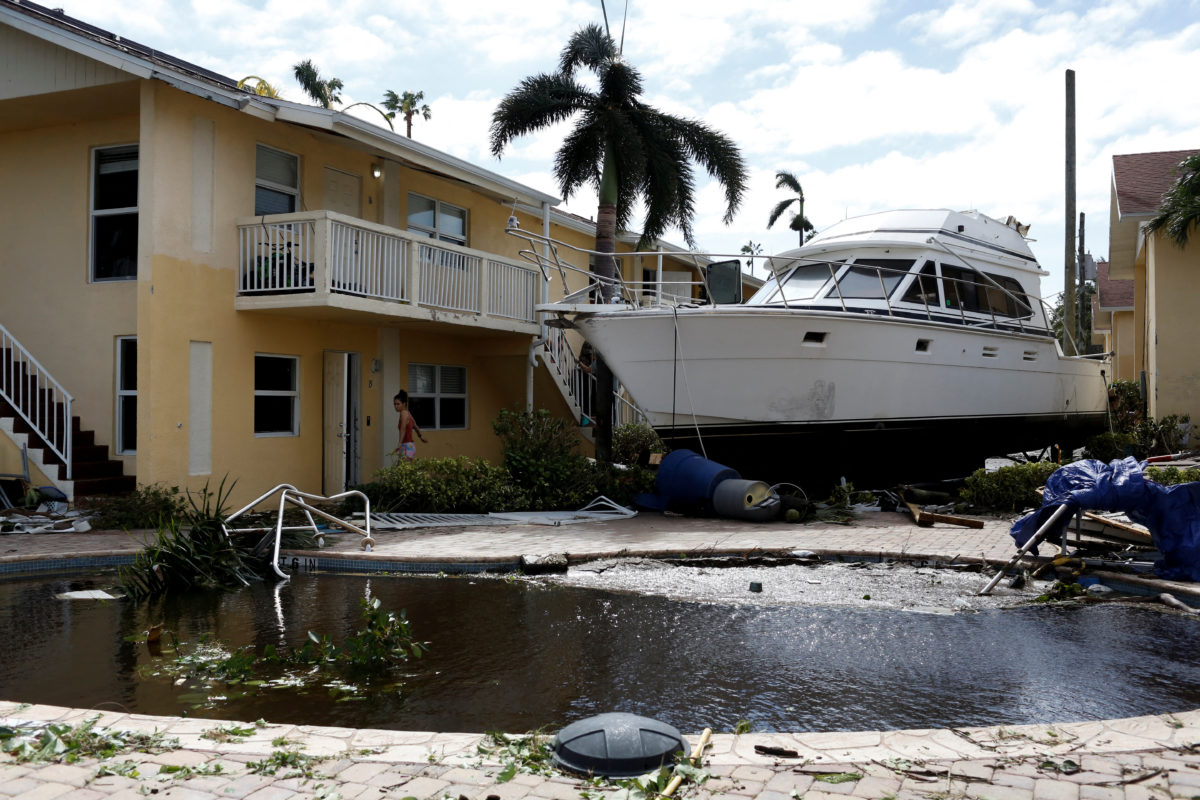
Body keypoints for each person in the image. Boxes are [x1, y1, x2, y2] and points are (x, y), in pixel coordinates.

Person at [392, 390, 427, 460]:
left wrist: (399, 443)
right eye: (394, 404)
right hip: (410, 446)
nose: (396, 406)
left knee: (401, 467)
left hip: (406, 446)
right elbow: (415, 426)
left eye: (398, 404)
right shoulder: (408, 413)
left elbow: (403, 429)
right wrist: (421, 437)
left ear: (404, 404)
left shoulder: (403, 413)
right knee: (400, 466)